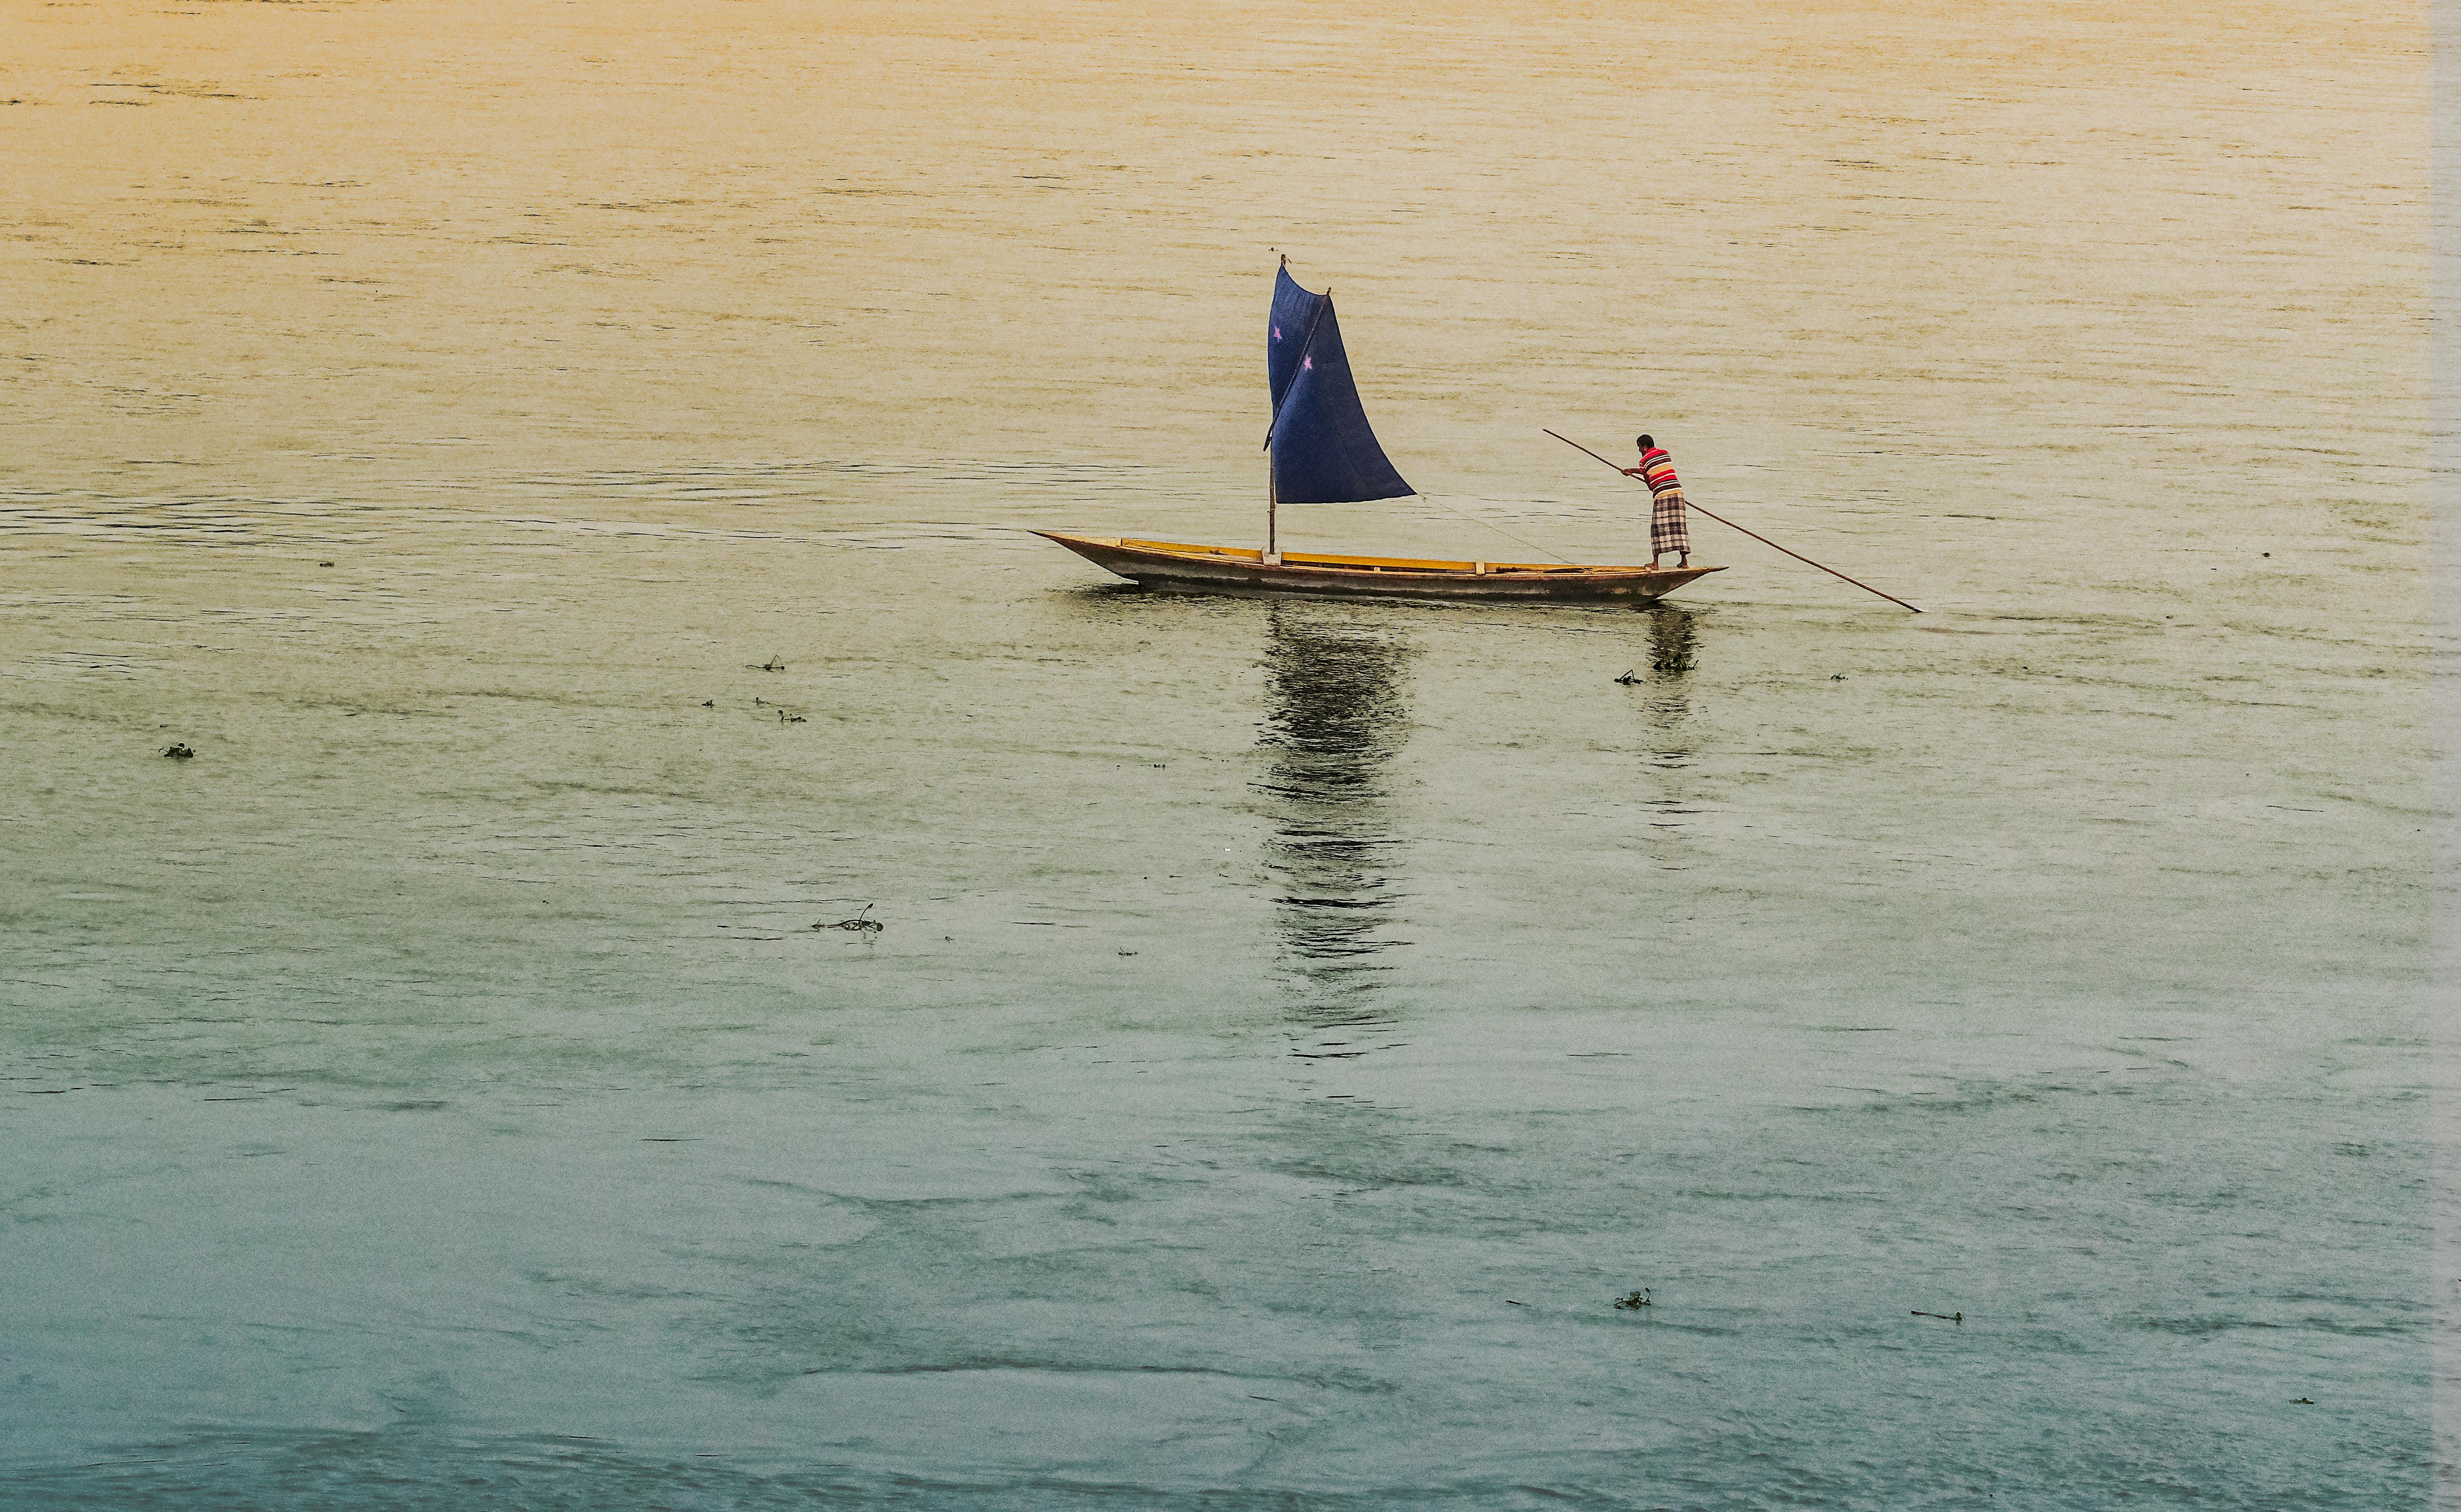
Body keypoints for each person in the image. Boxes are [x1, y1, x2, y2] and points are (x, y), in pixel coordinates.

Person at [1622, 434, 1689, 569]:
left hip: (1662, 494)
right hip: (1677, 492)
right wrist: (1634, 471)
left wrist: (1633, 472)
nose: (1639, 450)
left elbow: (1650, 485)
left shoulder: (1644, 461)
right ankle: (1684, 562)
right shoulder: (1665, 453)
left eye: (1640, 447)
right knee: (1679, 526)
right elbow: (1652, 469)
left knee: (1657, 528)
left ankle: (1655, 563)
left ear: (1645, 447)